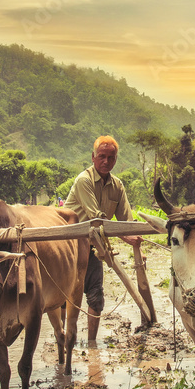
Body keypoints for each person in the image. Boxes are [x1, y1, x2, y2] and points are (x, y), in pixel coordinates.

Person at [64, 135, 145, 344]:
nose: (106, 161)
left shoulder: (117, 185)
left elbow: (127, 220)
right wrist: (124, 234)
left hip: (92, 248)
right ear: (93, 157)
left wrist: (135, 236)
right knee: (64, 298)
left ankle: (91, 345)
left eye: (111, 157)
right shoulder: (84, 181)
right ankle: (63, 342)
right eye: (102, 156)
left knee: (96, 296)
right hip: (70, 247)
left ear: (115, 160)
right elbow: (96, 218)